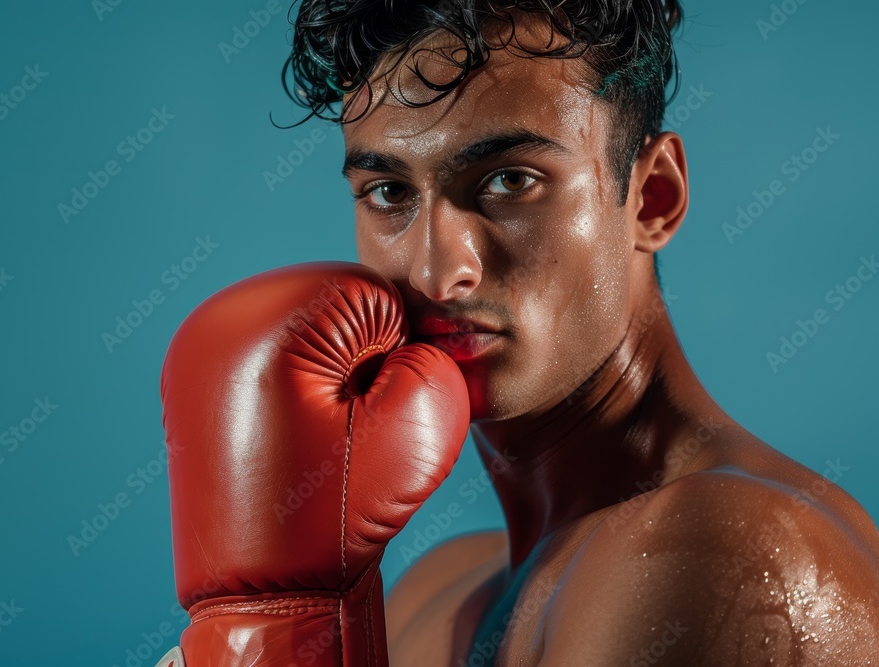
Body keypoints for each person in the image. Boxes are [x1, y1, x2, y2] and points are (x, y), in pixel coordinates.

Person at [157, 2, 879, 665]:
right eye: (390, 192)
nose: (440, 272)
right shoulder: (433, 593)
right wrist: (280, 611)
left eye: (510, 181)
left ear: (652, 197)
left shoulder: (723, 544)